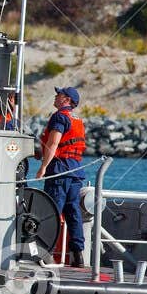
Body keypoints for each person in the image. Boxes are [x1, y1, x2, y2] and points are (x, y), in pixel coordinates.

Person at [36, 86, 87, 266]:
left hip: (59, 171)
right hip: (76, 171)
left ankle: (45, 252)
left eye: (58, 95)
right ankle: (78, 254)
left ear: (66, 100)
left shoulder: (59, 117)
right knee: (74, 213)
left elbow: (53, 143)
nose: (55, 97)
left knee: (52, 211)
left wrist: (43, 167)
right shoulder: (77, 120)